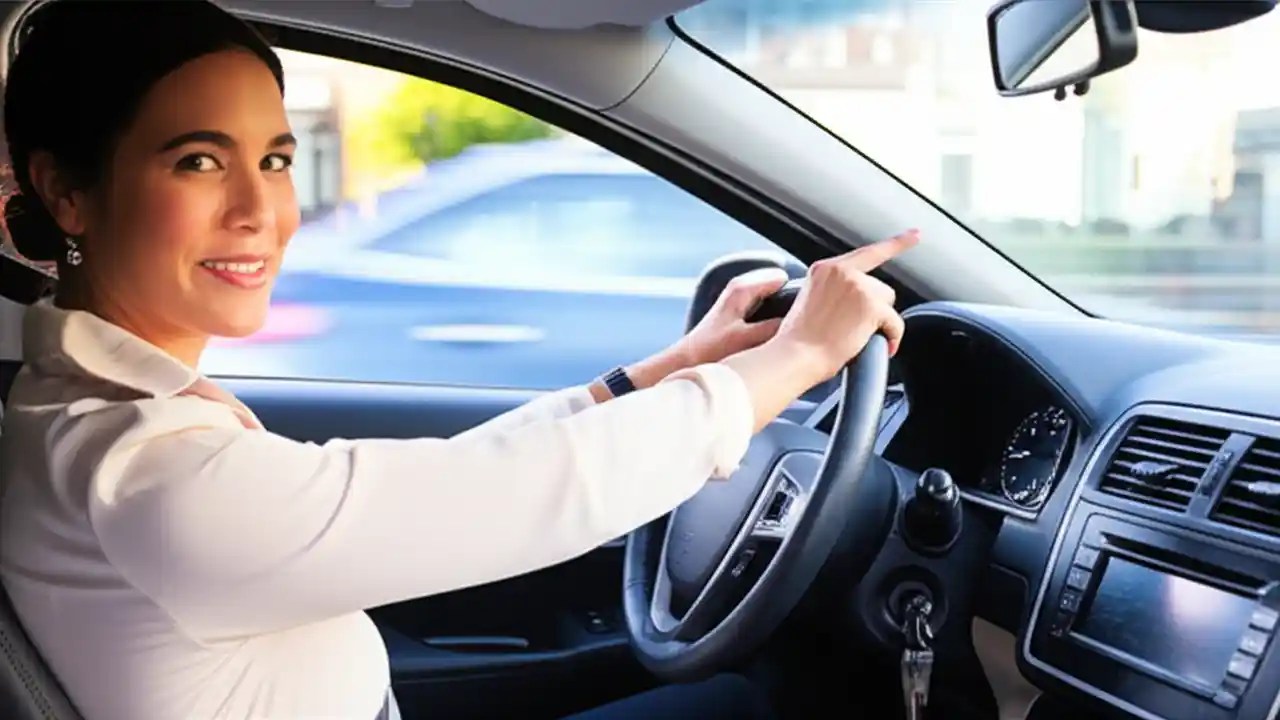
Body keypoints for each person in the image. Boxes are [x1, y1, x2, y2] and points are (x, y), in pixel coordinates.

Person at [0, 1, 915, 719]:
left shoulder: (94, 408)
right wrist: (790, 362)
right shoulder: (144, 472)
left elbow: (439, 484)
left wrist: (663, 371)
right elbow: (517, 496)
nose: (259, 211)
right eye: (198, 162)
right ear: (67, 193)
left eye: (275, 160)